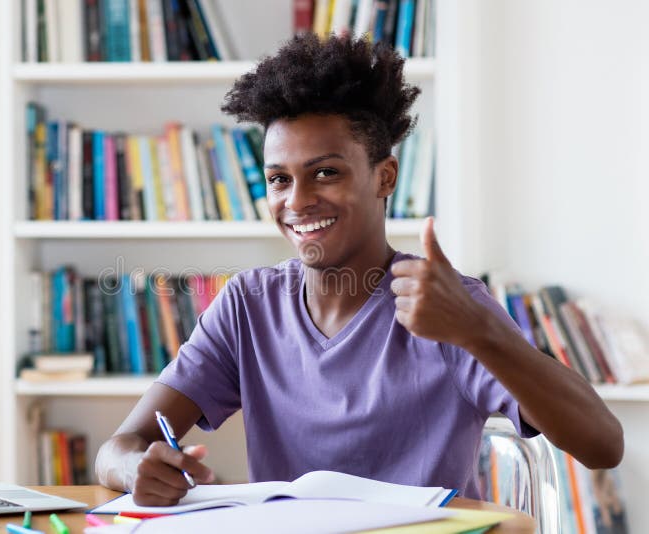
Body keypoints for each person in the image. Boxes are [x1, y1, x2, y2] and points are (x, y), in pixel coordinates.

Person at [95, 34, 623, 506]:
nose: (297, 201)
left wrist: (480, 330)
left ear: (384, 176)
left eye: (326, 172)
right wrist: (136, 468)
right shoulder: (247, 306)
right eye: (279, 179)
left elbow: (603, 444)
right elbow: (119, 447)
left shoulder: (445, 306)